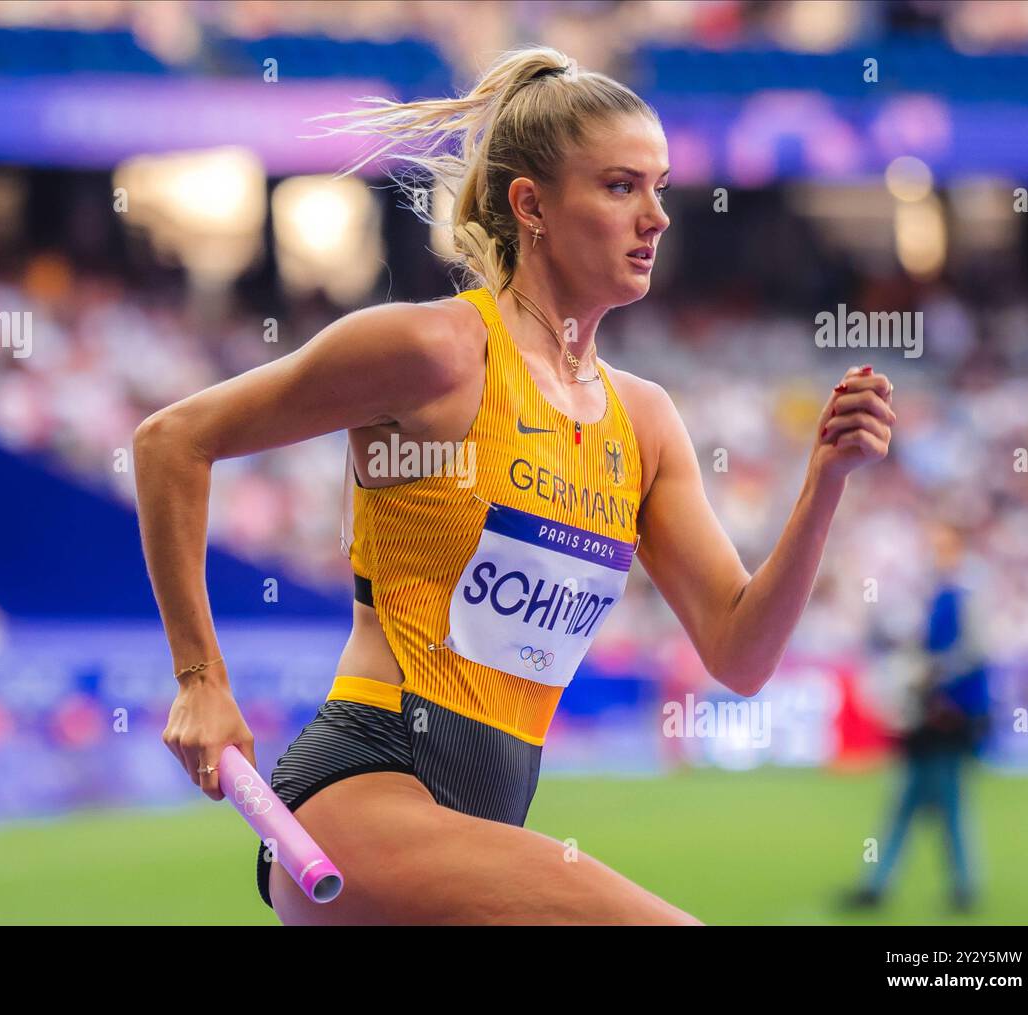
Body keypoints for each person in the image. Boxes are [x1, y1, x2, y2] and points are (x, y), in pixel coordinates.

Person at [132, 45, 896, 925]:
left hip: (487, 813)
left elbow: (740, 653)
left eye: (661, 187)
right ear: (531, 204)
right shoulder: (435, 353)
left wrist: (824, 486)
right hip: (363, 797)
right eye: (620, 187)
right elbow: (172, 441)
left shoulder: (642, 422)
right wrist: (200, 677)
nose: (656, 217)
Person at [842, 521, 991, 913]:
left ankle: (957, 886)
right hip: (928, 714)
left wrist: (930, 673)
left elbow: (974, 652)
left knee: (943, 801)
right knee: (916, 802)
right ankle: (885, 885)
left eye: (944, 547)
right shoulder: (935, 596)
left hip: (948, 715)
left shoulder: (964, 596)